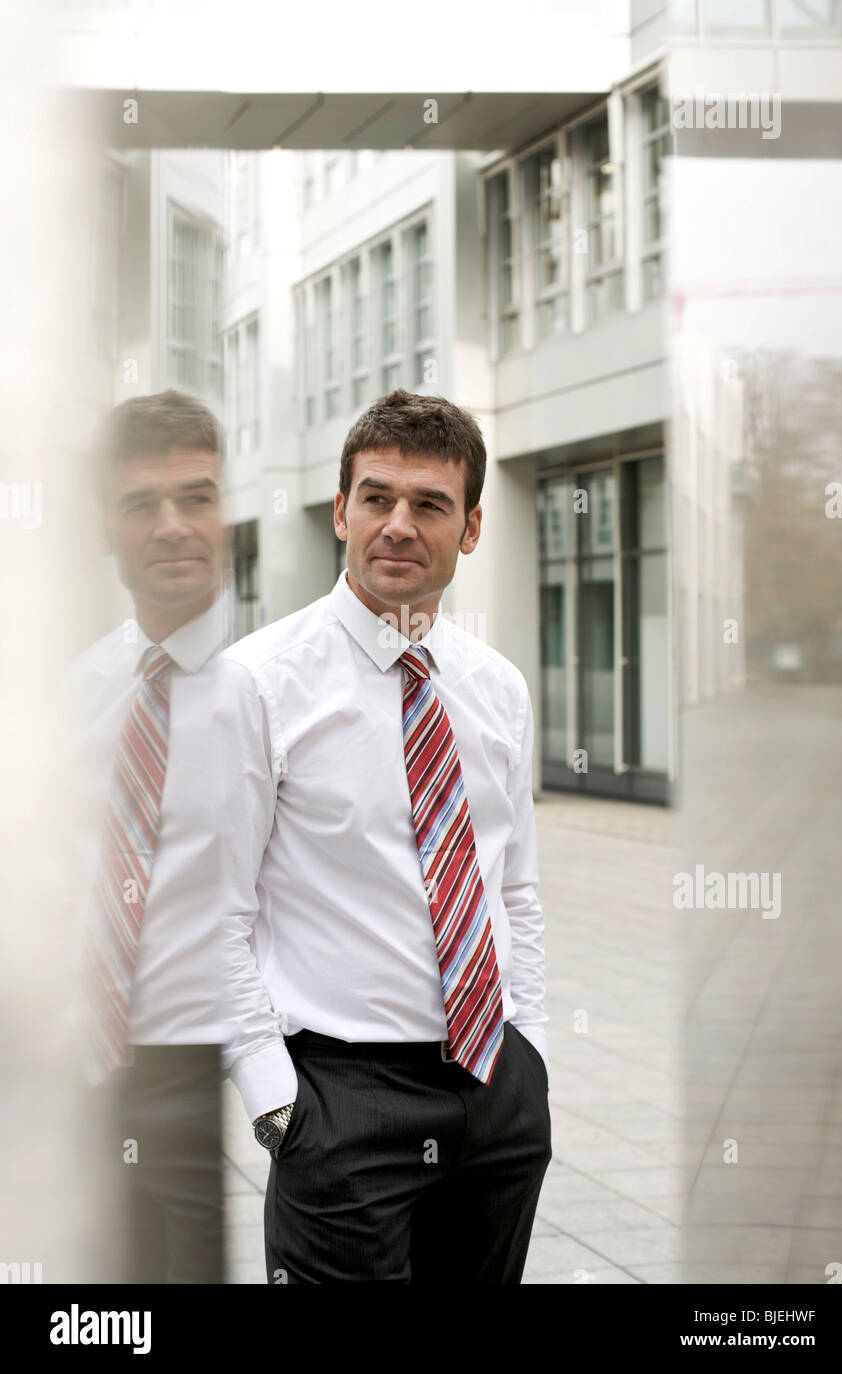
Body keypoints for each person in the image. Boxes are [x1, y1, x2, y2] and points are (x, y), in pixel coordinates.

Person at [221, 389, 552, 1284]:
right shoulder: (255, 684)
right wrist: (274, 1100)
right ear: (340, 511)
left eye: (429, 504)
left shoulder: (497, 687)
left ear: (471, 528)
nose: (398, 525)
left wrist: (535, 1056)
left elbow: (510, 884)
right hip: (340, 1104)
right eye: (377, 498)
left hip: (495, 1094)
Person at [63, 389, 235, 1283]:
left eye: (196, 498)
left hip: (218, 1084)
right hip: (94, 1078)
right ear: (107, 527)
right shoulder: (79, 692)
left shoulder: (274, 691)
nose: (172, 527)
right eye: (141, 505)